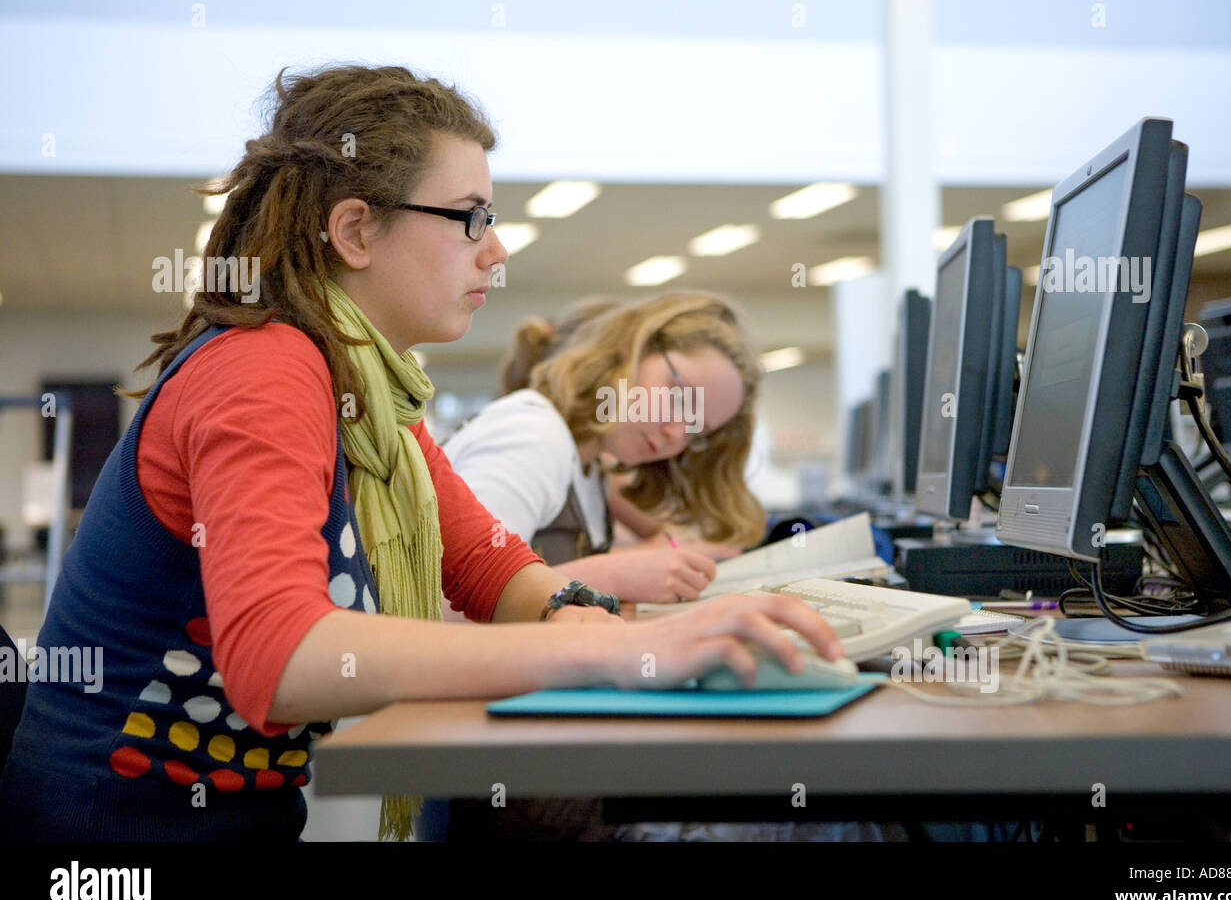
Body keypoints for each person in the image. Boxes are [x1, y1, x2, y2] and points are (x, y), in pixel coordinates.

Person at [0, 65, 841, 842]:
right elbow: (280, 657)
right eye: (471, 218)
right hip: (113, 845)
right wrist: (610, 649)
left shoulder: (370, 396)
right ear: (357, 230)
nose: (498, 250)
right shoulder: (265, 367)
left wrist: (649, 627)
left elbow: (489, 568)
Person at [444, 291, 765, 606]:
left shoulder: (590, 463)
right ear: (632, 348)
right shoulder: (532, 433)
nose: (675, 433)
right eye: (680, 398)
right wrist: (614, 574)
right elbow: (444, 601)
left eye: (698, 431)